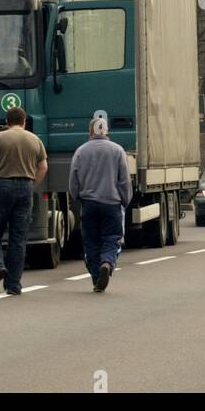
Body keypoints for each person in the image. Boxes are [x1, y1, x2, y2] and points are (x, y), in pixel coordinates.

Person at [0, 106, 48, 295]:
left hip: (2, 186)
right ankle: (13, 285)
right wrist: (32, 183)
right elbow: (43, 166)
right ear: (24, 121)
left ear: (7, 121)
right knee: (18, 237)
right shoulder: (35, 139)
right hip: (26, 187)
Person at [69, 117, 132, 292]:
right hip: (112, 203)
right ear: (106, 131)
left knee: (91, 242)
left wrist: (76, 196)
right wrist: (125, 200)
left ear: (91, 131)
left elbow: (73, 180)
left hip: (89, 204)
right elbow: (124, 180)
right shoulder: (118, 151)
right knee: (112, 238)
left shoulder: (81, 151)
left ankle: (97, 277)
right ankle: (107, 262)